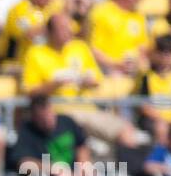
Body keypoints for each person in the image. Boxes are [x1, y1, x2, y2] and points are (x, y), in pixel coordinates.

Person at [22, 11, 138, 149]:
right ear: (50, 32)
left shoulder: (80, 47)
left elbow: (97, 80)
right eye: (63, 28)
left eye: (69, 27)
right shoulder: (35, 53)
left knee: (126, 132)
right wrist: (55, 84)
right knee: (71, 136)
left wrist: (88, 82)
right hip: (57, 111)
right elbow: (30, 91)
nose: (69, 32)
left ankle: (125, 169)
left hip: (85, 108)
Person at [87, 0, 149, 77]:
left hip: (131, 69)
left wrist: (137, 64)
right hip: (105, 68)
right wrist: (115, 64)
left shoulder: (138, 16)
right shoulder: (101, 11)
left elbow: (142, 47)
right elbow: (93, 49)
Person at [11, 94, 90, 173]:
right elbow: (23, 163)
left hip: (76, 175)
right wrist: (52, 168)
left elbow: (81, 145)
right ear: (34, 117)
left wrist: (81, 167)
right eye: (42, 119)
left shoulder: (66, 121)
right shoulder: (27, 131)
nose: (47, 121)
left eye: (49, 115)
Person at [136, 35, 171, 146]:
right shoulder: (146, 77)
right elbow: (144, 107)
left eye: (169, 53)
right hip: (154, 119)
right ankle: (161, 158)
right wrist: (162, 118)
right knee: (161, 128)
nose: (165, 57)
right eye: (162, 53)